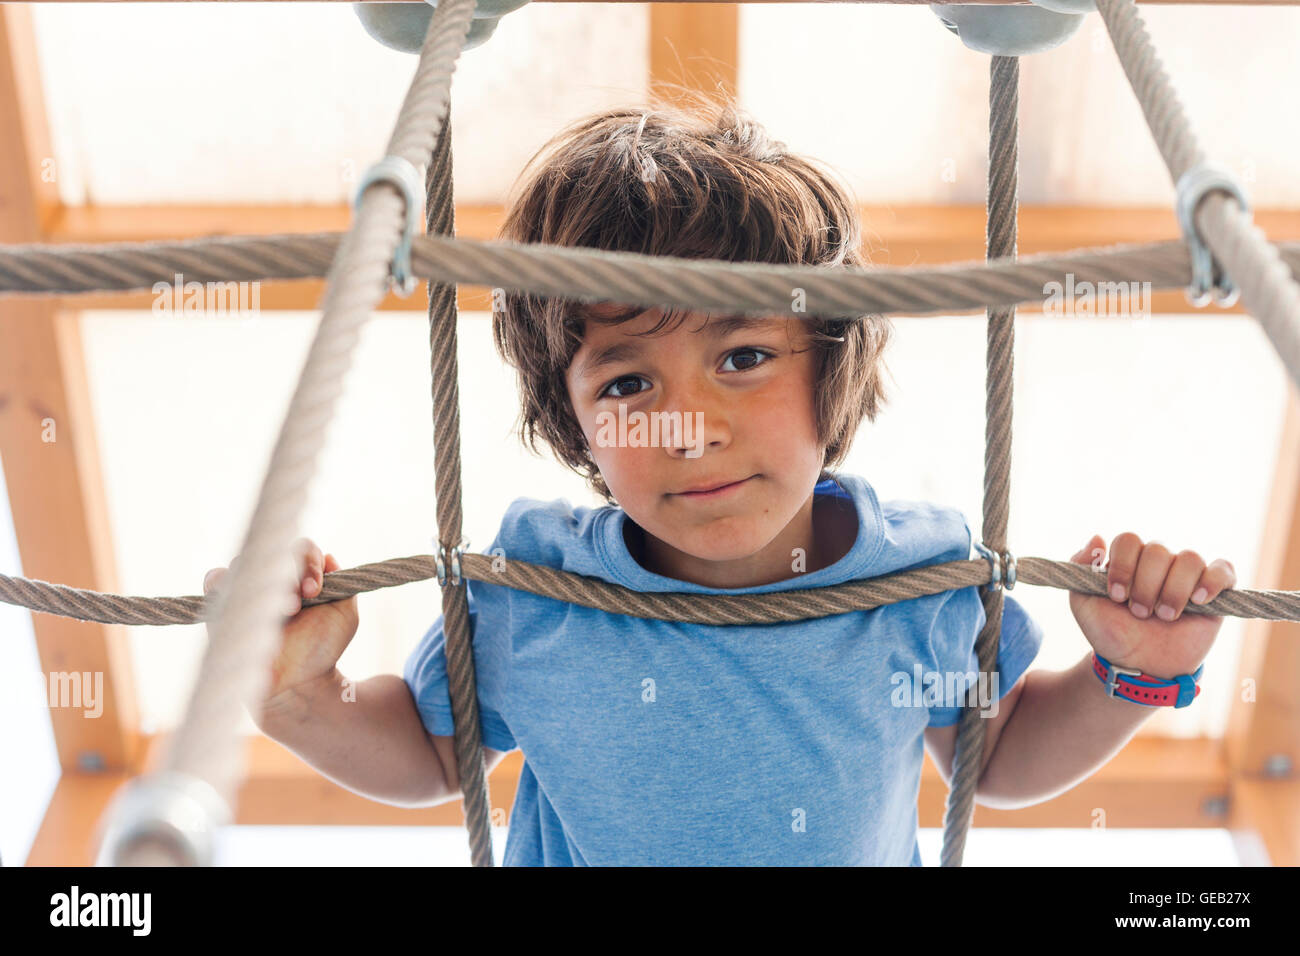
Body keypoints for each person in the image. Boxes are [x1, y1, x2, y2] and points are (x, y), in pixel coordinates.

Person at [204, 96, 1237, 865]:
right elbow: (431, 759)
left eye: (742, 357)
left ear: (831, 368)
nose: (689, 427)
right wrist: (296, 696)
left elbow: (994, 761)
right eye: (627, 377)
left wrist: (1129, 678)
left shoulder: (918, 576)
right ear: (576, 421)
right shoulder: (534, 587)